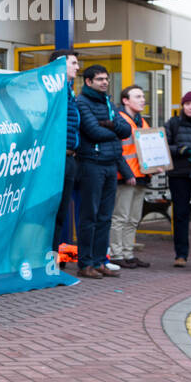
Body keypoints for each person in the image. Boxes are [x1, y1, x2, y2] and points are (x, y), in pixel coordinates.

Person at [73, 64, 132, 279]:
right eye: (99, 79)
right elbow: (93, 131)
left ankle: (99, 261)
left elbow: (126, 129)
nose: (105, 82)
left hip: (110, 164)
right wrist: (113, 129)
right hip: (91, 164)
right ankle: (85, 263)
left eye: (106, 79)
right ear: (88, 82)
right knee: (89, 215)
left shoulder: (108, 101)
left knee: (105, 216)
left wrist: (109, 126)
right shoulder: (82, 102)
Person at [109, 84, 151, 269]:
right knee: (120, 217)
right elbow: (117, 150)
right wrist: (127, 173)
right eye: (137, 96)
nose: (142, 99)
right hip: (125, 176)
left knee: (133, 218)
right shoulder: (120, 120)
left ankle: (128, 253)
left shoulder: (142, 122)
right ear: (125, 100)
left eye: (143, 96)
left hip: (141, 176)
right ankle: (117, 254)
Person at [166, 92, 191, 267]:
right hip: (178, 175)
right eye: (187, 103)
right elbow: (164, 144)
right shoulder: (173, 123)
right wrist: (179, 150)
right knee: (180, 214)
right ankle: (181, 255)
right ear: (182, 106)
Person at [49, 49, 81, 261]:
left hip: (69, 158)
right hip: (55, 159)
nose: (78, 67)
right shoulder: (52, 90)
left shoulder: (69, 91)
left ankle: (53, 257)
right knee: (51, 212)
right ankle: (45, 257)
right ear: (61, 64)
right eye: (73, 63)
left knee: (61, 212)